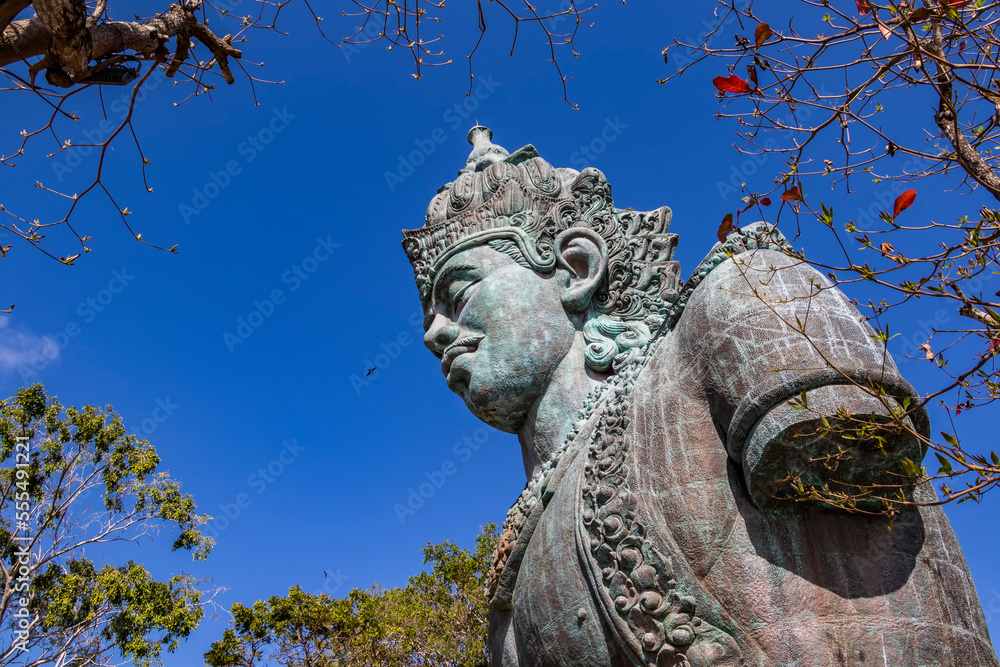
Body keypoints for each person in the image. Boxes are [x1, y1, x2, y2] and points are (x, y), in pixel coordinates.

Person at [401, 126, 999, 666]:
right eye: (430, 314)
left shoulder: (739, 299)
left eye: (459, 292)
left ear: (574, 268)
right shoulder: (512, 571)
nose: (434, 334)